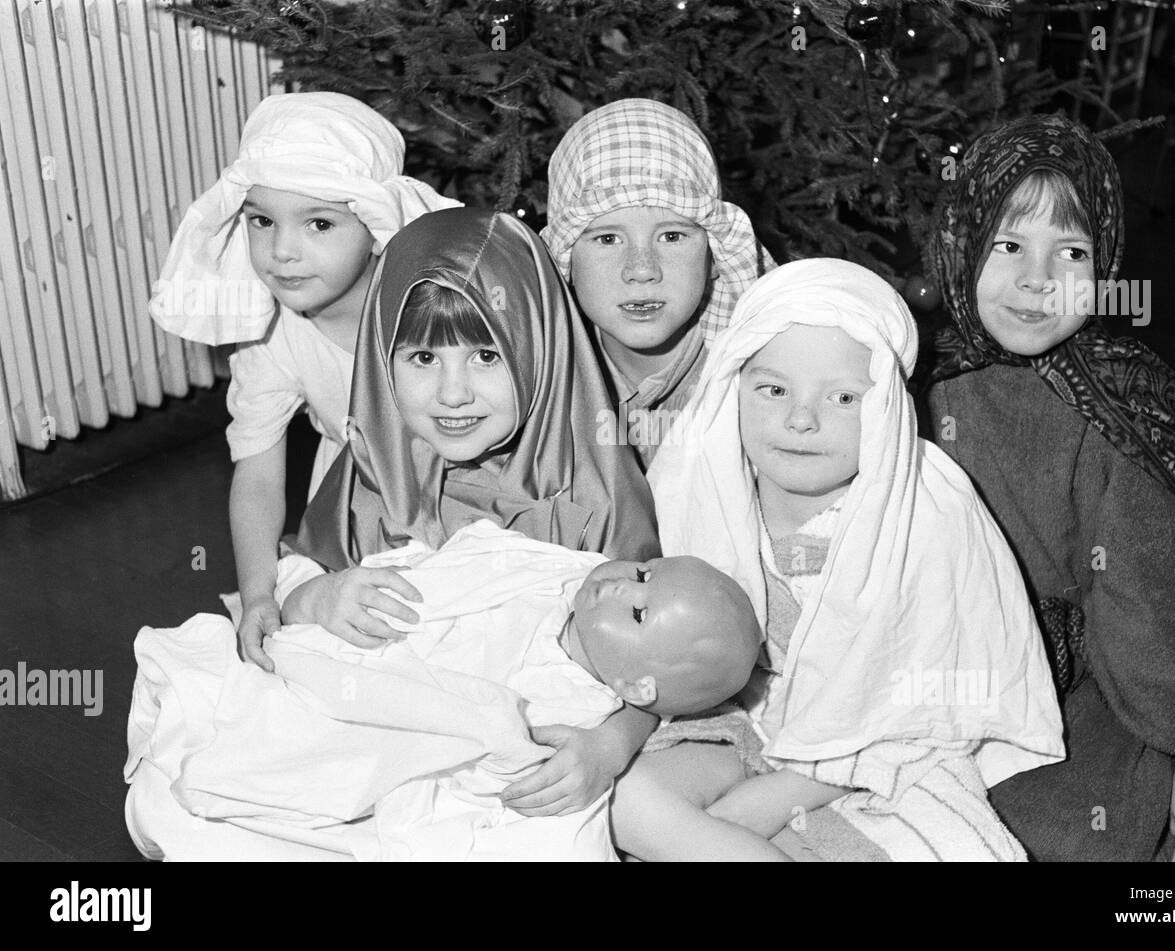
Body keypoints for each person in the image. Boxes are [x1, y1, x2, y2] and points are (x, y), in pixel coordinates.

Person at [611, 259, 1064, 862]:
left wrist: (767, 799)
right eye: (773, 389)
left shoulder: (925, 508)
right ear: (732, 387)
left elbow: (924, 695)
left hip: (874, 747)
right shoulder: (698, 480)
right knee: (623, 803)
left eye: (844, 397)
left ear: (886, 409)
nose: (801, 419)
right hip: (728, 719)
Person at [923, 113, 1175, 861]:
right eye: (1008, 245)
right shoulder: (920, 376)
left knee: (1044, 834)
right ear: (960, 247)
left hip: (1100, 677)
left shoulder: (1119, 414)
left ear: (1106, 263)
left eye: (1071, 252)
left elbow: (1159, 603)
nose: (1036, 280)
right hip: (950, 658)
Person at [287, 206, 662, 820]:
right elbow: (298, 589)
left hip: (516, 768)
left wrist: (612, 745)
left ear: (541, 348)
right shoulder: (376, 468)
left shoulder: (598, 490)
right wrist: (318, 598)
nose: (453, 393)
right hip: (379, 736)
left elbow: (661, 651)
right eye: (423, 358)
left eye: (487, 356)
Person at [125, 521, 760, 861]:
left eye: (639, 612)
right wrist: (324, 598)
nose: (622, 584)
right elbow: (446, 568)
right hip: (358, 666)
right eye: (643, 572)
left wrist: (497, 737)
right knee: (268, 717)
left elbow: (501, 785)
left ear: (636, 684)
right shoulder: (549, 574)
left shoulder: (581, 709)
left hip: (395, 743)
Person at [149, 91, 461, 673]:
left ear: (375, 226)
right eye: (262, 221)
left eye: (318, 223)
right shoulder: (271, 336)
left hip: (469, 489)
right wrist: (259, 592)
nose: (282, 251)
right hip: (355, 503)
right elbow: (259, 471)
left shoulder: (434, 306)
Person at [543, 98, 775, 469]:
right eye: (607, 239)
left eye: (670, 236)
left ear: (715, 254)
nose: (641, 270)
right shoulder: (543, 382)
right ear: (567, 260)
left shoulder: (763, 380)